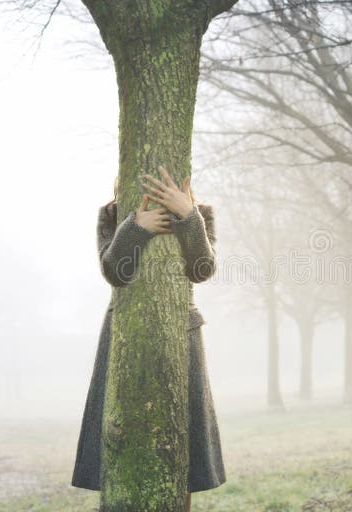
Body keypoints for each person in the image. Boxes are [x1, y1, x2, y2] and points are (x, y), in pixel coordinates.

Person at [71, 166, 226, 510]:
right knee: (119, 433)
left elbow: (202, 270)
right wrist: (135, 228)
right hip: (123, 331)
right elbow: (115, 273)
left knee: (181, 442)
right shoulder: (111, 214)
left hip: (182, 337)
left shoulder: (201, 214)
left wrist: (189, 218)